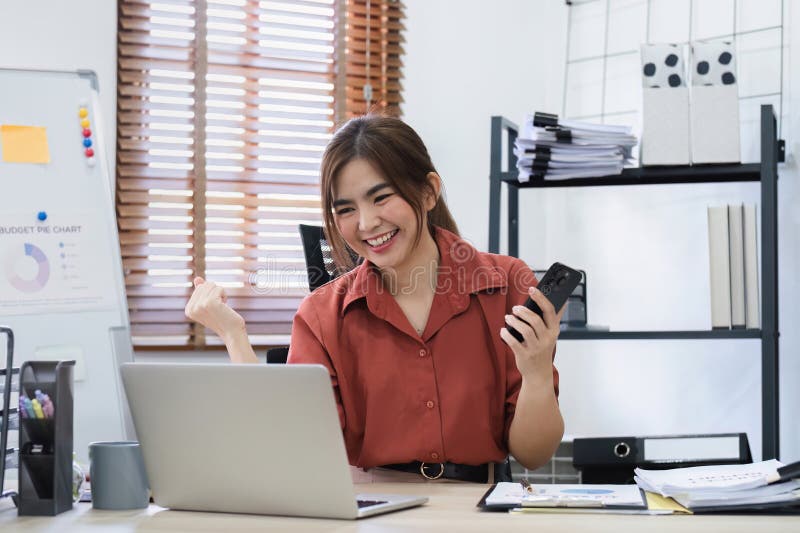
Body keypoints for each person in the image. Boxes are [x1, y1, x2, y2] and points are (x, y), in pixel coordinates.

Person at [185, 114, 564, 483]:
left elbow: (534, 455)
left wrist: (536, 373)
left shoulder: (508, 285)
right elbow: (295, 449)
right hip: (374, 508)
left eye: (381, 197)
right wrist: (234, 336)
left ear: (428, 191)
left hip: (478, 506)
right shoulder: (321, 315)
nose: (366, 224)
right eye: (346, 209)